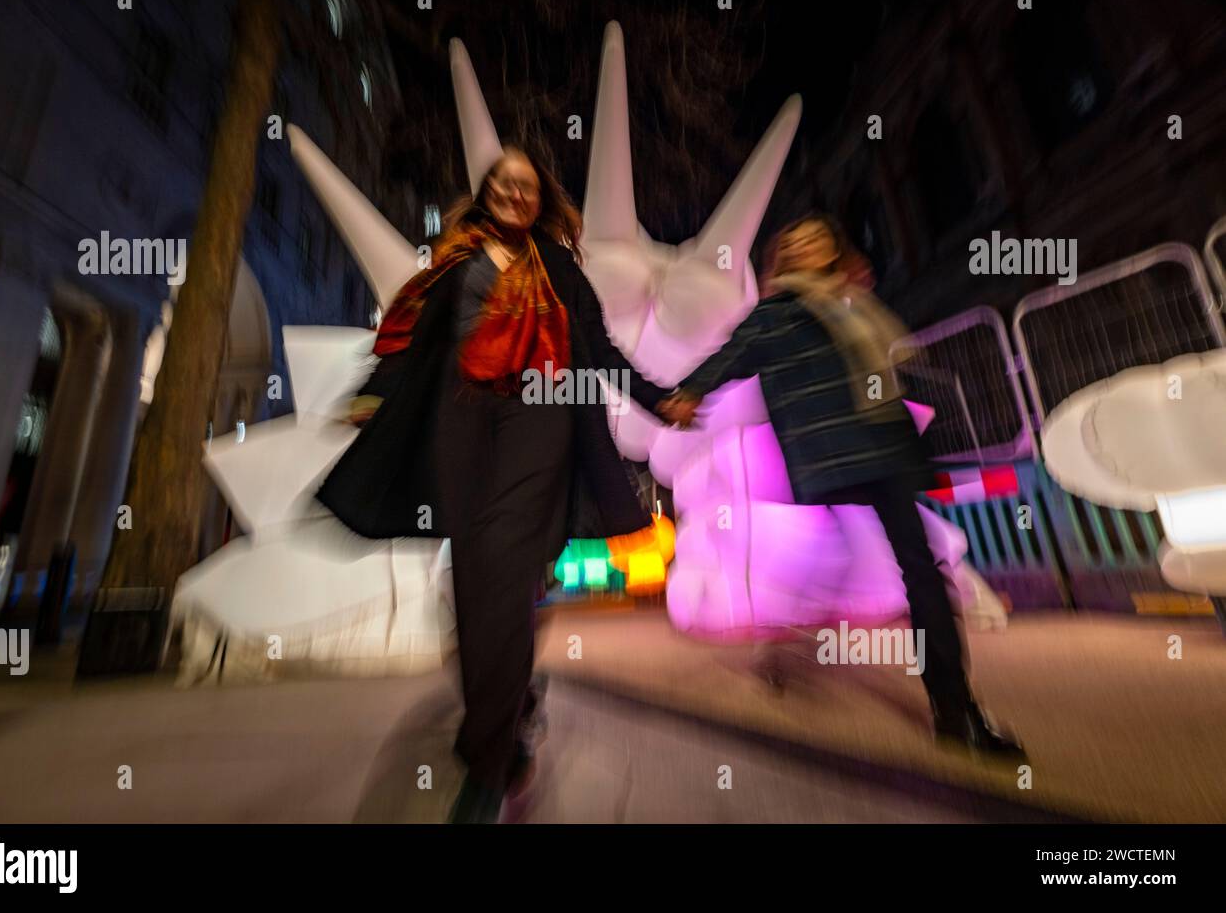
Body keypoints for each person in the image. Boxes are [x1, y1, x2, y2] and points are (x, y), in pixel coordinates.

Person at [317, 145, 673, 822]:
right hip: (461, 421)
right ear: (485, 192)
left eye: (528, 185)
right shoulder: (454, 260)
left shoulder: (558, 265)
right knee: (476, 585)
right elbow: (413, 341)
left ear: (540, 200)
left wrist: (659, 397)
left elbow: (596, 348)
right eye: (504, 182)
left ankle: (486, 764)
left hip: (540, 415)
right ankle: (509, 714)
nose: (515, 192)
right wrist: (371, 395)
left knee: (507, 568)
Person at [659, 213, 1023, 757]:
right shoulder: (775, 314)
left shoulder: (856, 304)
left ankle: (956, 711)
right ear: (784, 259)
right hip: (830, 452)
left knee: (918, 572)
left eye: (817, 237)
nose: (807, 244)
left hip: (884, 444)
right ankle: (778, 639)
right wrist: (689, 392)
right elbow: (732, 356)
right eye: (794, 241)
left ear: (832, 249)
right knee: (828, 556)